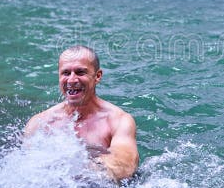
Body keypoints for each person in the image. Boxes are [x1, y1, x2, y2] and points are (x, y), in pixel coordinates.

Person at [23, 45, 139, 181]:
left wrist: (73, 168)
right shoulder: (39, 123)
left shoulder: (118, 121)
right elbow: (26, 169)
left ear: (97, 76)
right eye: (66, 73)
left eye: (80, 72)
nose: (71, 80)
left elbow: (125, 166)